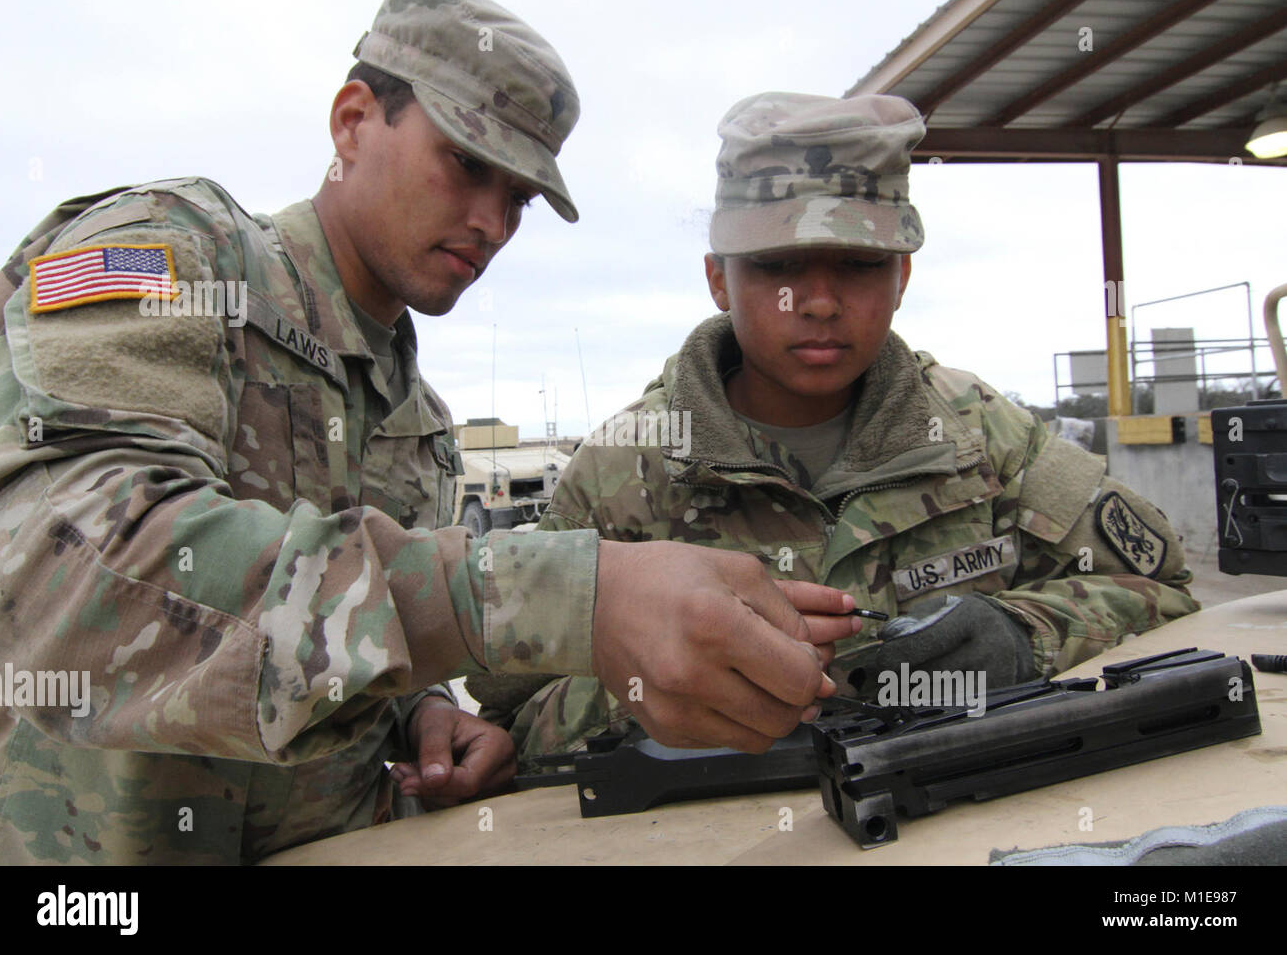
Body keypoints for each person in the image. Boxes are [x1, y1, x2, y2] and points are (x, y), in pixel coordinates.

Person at [0, 4, 854, 864]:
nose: (492, 221)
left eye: (517, 196)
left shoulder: (423, 424)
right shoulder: (171, 255)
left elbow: (337, 631)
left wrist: (423, 712)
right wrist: (568, 597)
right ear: (354, 121)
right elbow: (67, 577)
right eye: (466, 164)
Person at [470, 91, 1201, 759]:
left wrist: (1020, 636)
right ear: (719, 278)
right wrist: (668, 681)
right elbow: (509, 713)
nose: (817, 302)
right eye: (779, 265)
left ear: (902, 278)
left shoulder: (981, 436)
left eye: (856, 264)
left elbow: (1161, 591)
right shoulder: (622, 471)